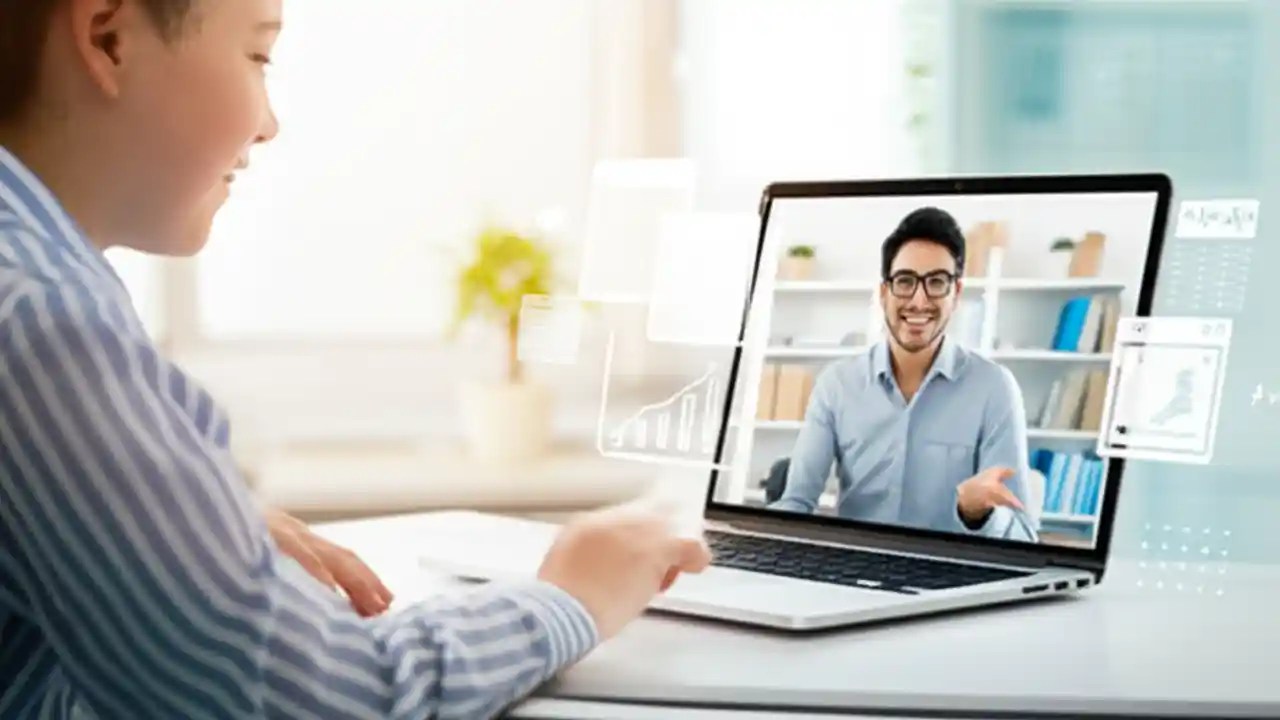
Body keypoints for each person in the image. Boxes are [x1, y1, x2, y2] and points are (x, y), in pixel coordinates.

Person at [0, 1, 711, 718]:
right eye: (257, 55)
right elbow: (328, 701)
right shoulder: (44, 324)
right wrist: (570, 597)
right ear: (107, 37)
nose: (268, 124)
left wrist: (175, 542)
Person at [769, 206, 1038, 542]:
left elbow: (1025, 537)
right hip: (854, 569)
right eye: (905, 281)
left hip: (951, 574)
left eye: (937, 282)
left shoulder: (994, 388)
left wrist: (978, 514)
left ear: (955, 294)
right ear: (884, 293)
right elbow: (797, 501)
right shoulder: (837, 384)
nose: (919, 300)